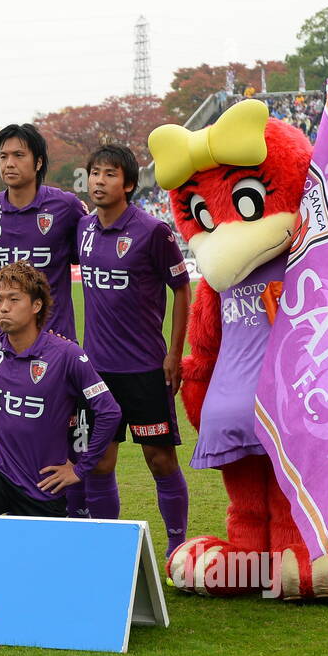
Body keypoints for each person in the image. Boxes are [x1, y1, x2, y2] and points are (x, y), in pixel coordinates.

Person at [0, 262, 120, 517]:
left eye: (14, 299)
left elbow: (109, 411)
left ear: (36, 305)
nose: (3, 307)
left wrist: (79, 469)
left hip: (43, 485)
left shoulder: (66, 354)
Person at [77, 144, 192, 552]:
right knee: (99, 464)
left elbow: (182, 288)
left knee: (159, 460)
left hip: (145, 370)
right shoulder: (83, 229)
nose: (99, 181)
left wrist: (174, 354)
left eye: (109, 174)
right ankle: (108, 552)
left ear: (127, 183)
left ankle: (176, 547)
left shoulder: (152, 231)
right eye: (94, 173)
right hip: (96, 374)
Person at [0, 123, 85, 341]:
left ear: (38, 162)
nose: (9, 164)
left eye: (19, 155)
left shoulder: (65, 205)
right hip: (4, 338)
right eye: (3, 156)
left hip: (55, 338)